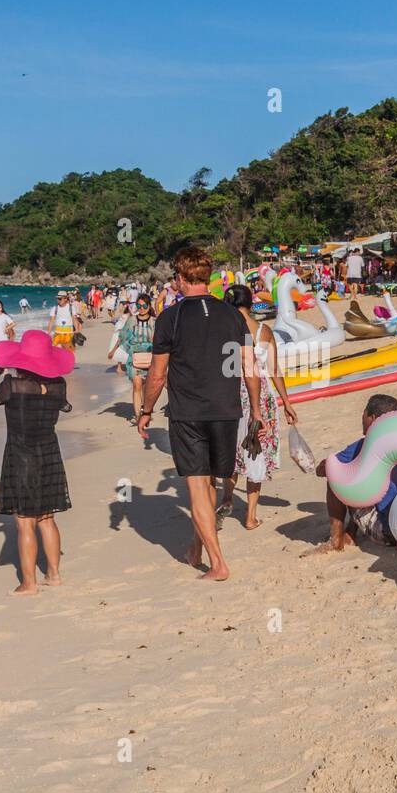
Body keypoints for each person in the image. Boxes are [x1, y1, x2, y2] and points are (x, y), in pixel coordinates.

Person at [138, 247, 264, 581]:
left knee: (196, 487)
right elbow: (249, 366)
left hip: (189, 413)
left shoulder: (170, 318)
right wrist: (256, 409)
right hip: (227, 411)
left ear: (179, 278)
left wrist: (145, 409)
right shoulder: (233, 315)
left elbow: (156, 374)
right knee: (209, 482)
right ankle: (196, 549)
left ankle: (218, 563)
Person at [0, 330, 75, 595]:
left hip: (21, 454)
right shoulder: (59, 386)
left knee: (24, 521)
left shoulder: (12, 385)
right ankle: (54, 574)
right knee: (47, 518)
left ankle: (29, 582)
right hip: (50, 452)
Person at [215, 284, 298, 530]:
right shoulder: (264, 331)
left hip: (230, 397)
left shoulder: (223, 331)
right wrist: (287, 402)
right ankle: (250, 516)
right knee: (255, 451)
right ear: (251, 304)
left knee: (231, 450)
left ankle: (227, 499)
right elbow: (274, 370)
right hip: (261, 398)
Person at [306, 394, 397, 554]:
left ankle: (336, 540)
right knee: (361, 477)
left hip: (386, 532)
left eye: (364, 413)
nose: (362, 418)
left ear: (372, 418)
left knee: (336, 477)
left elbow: (323, 471)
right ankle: (350, 533)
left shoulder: (362, 446)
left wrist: (326, 465)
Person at [115, 294, 156, 422]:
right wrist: (113, 350)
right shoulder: (132, 320)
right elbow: (122, 336)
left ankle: (146, 409)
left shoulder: (154, 322)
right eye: (139, 306)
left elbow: (159, 340)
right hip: (135, 358)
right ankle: (138, 415)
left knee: (146, 386)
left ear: (149, 306)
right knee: (137, 385)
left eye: (144, 306)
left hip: (150, 358)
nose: (142, 308)